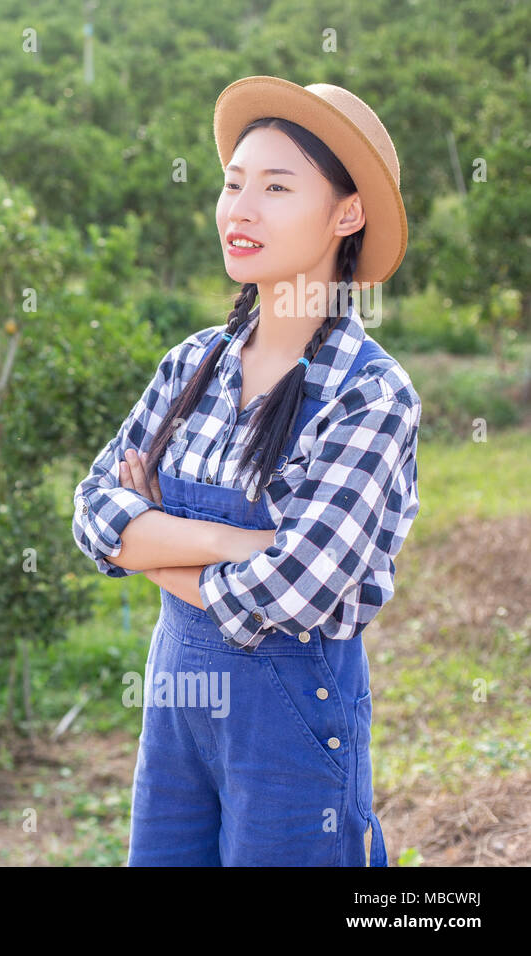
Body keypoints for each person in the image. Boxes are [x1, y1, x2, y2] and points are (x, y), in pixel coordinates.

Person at [71, 77, 421, 866]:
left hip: (292, 727)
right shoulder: (193, 363)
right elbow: (93, 511)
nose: (240, 209)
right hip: (177, 717)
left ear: (346, 212)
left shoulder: (370, 392)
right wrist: (240, 541)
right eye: (233, 185)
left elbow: (294, 591)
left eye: (275, 186)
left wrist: (151, 540)